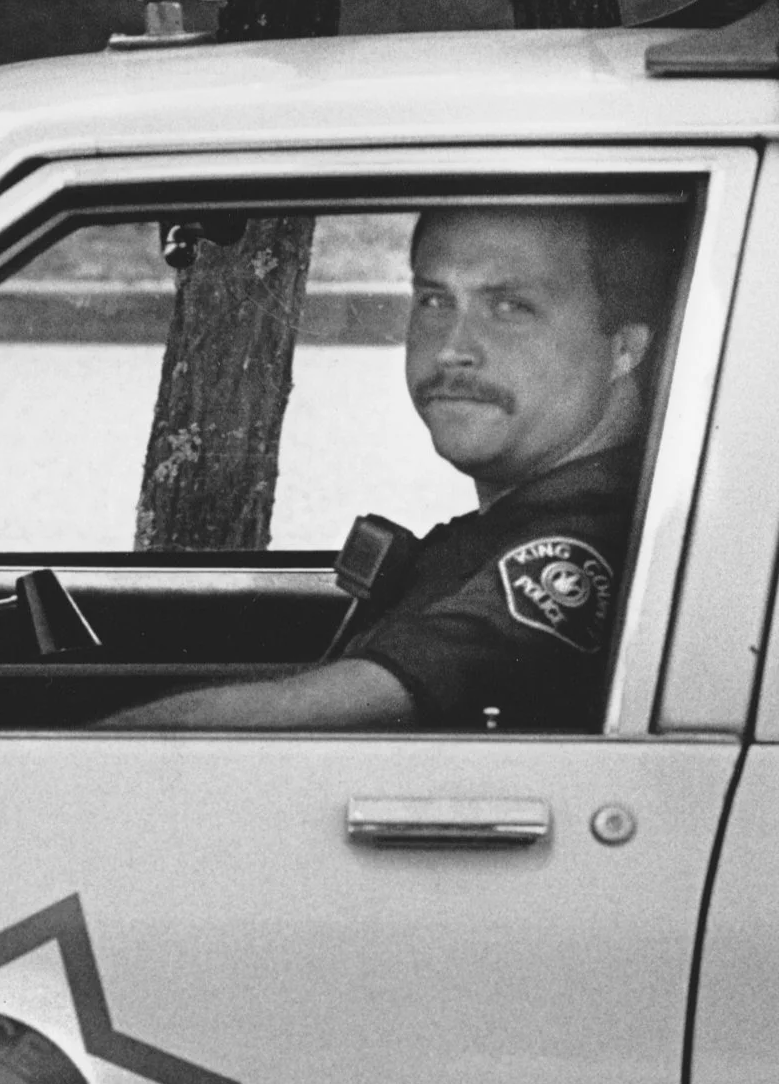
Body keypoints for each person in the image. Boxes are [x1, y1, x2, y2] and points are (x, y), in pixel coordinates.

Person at [104, 203, 684, 730]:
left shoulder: (584, 547)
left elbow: (316, 714)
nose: (454, 346)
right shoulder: (509, 526)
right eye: (434, 300)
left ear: (625, 347)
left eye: (510, 308)